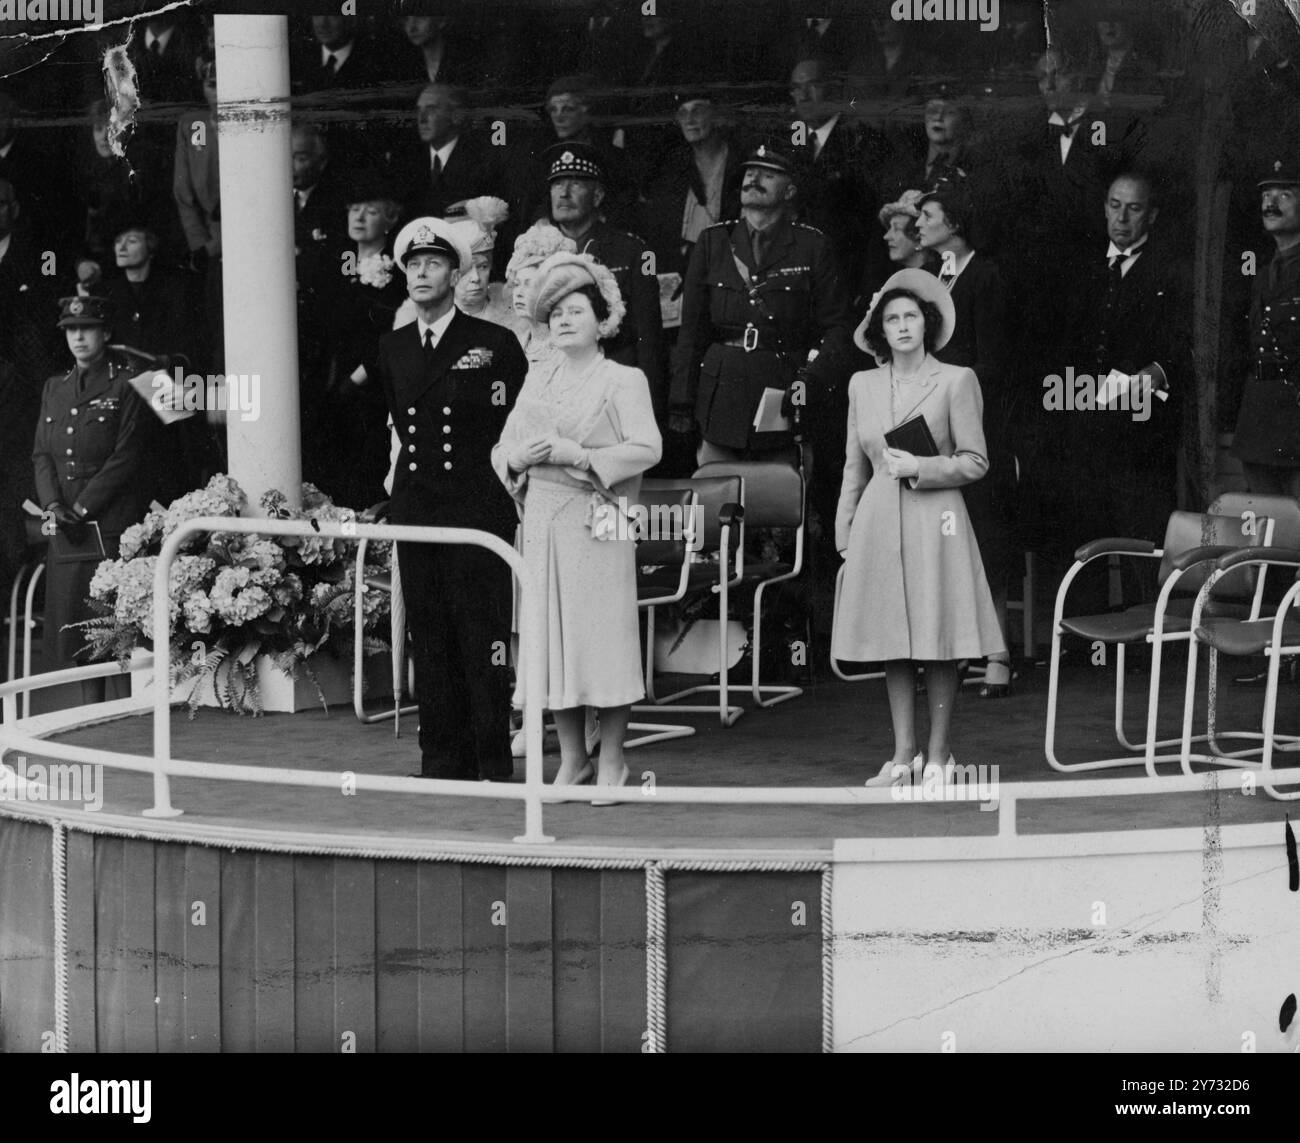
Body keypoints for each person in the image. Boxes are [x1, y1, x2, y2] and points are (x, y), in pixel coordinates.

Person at [492, 252, 662, 796]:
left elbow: (648, 447)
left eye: (576, 310)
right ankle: (572, 760)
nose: (565, 320)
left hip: (601, 518)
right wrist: (515, 461)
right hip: (541, 517)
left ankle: (611, 759)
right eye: (556, 313)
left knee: (603, 641)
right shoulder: (538, 379)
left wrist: (581, 455)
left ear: (602, 318)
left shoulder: (623, 378)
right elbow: (503, 445)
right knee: (551, 643)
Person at [832, 270, 1004, 785]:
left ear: (926, 324)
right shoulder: (861, 384)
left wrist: (922, 469)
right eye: (891, 318)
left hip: (938, 520)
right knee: (893, 638)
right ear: (879, 331)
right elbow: (853, 466)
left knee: (937, 635)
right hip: (879, 520)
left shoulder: (956, 380)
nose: (902, 326)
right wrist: (845, 529)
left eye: (910, 316)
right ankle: (903, 755)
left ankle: (940, 755)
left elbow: (976, 461)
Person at [373, 217, 528, 782]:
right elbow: (400, 424)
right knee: (430, 635)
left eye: (433, 264)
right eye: (412, 265)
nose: (421, 273)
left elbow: (512, 420)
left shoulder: (493, 343)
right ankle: (441, 760)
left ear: (457, 273)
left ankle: (490, 757)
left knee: (481, 634)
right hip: (418, 508)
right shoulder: (392, 347)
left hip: (474, 508)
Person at [669, 142, 852, 543]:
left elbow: (837, 328)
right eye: (750, 172)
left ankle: (778, 595)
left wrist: (811, 380)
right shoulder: (714, 242)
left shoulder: (811, 246)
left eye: (768, 174)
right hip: (721, 395)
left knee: (782, 515)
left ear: (789, 191)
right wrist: (682, 400)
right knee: (715, 510)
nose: (754, 179)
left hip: (782, 390)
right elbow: (692, 329)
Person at [915, 177, 1016, 697]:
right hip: (933, 430)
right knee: (946, 536)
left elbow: (994, 362)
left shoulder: (987, 277)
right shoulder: (931, 274)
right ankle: (954, 649)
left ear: (954, 223)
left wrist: (952, 397)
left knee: (985, 538)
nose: (918, 225)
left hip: (976, 426)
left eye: (928, 216)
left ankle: (998, 652)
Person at [31, 295, 156, 707]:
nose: (78, 337)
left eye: (86, 328)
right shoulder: (55, 387)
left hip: (106, 520)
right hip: (64, 522)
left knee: (106, 624)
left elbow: (127, 456)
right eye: (70, 330)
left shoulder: (127, 382)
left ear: (105, 333)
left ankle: (114, 716)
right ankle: (86, 712)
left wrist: (81, 509)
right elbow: (42, 455)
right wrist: (52, 506)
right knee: (72, 625)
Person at [544, 143, 665, 415]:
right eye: (557, 185)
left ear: (597, 196)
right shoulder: (535, 252)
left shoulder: (632, 251)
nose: (563, 194)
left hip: (613, 391)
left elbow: (649, 338)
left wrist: (649, 407)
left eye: (575, 185)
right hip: (553, 391)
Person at [1231, 160, 1300, 498]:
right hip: (1260, 423)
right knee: (1266, 529)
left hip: (1296, 425)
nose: (1271, 204)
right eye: (1267, 195)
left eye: (1284, 194)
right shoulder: (1263, 273)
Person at [447, 196, 513, 327]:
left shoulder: (514, 317)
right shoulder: (431, 318)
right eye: (466, 268)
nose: (475, 278)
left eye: (483, 266)